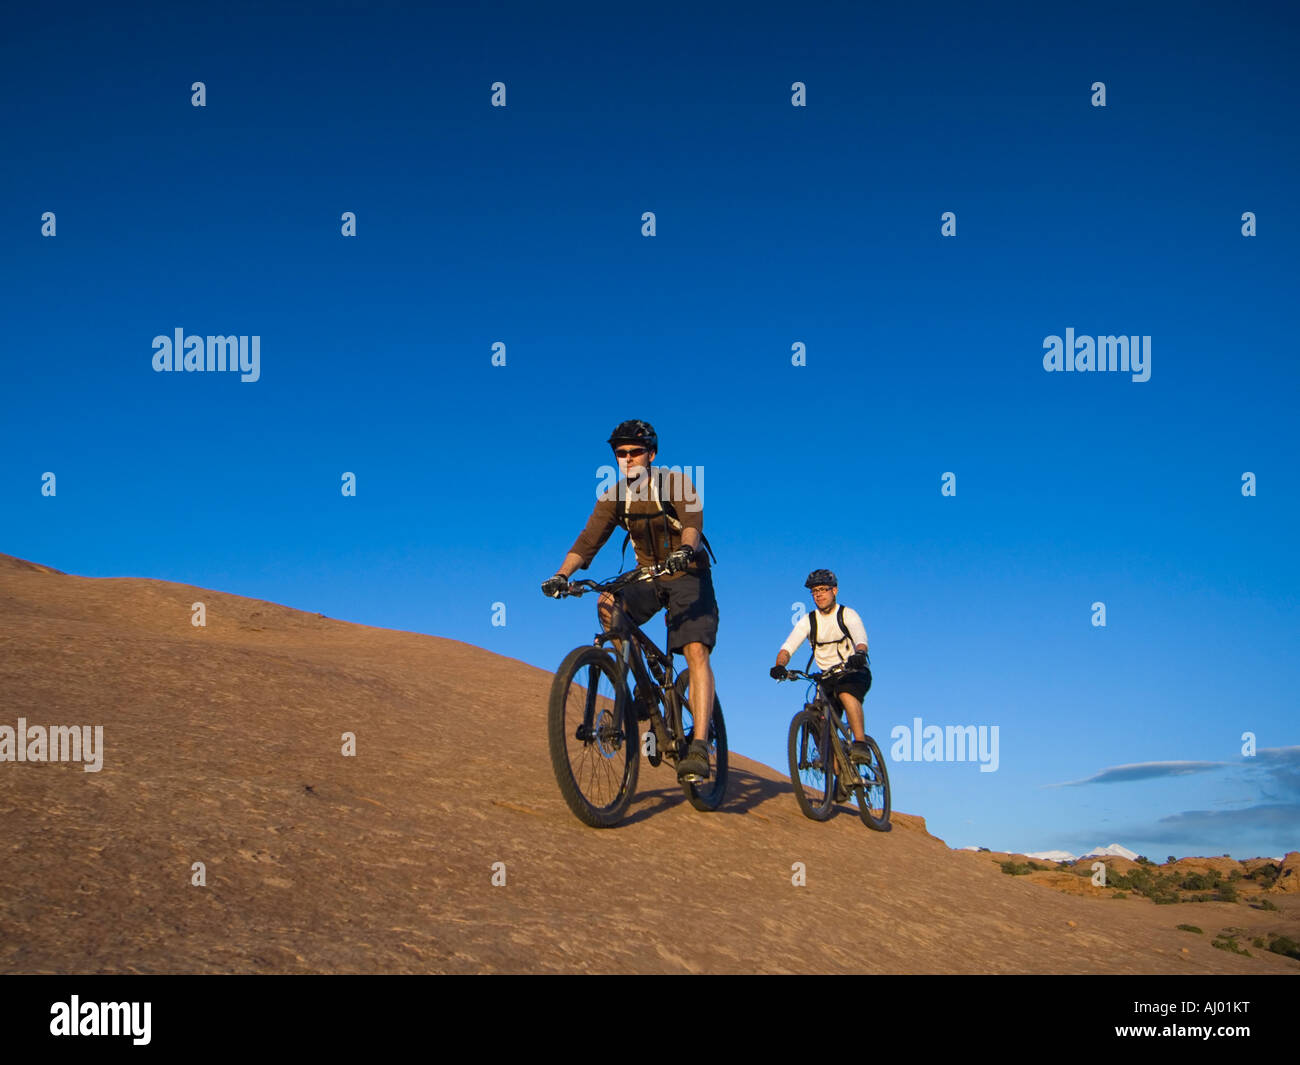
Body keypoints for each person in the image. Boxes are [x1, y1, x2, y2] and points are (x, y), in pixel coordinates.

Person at [541, 420, 719, 782]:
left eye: (635, 452)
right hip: (647, 574)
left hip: (687, 573)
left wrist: (685, 550)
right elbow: (587, 542)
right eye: (621, 454)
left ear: (651, 453)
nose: (628, 459)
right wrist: (562, 575)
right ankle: (644, 685)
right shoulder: (613, 496)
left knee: (695, 650)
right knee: (607, 602)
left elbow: (692, 523)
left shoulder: (676, 483)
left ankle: (699, 744)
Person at [770, 569, 873, 763]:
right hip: (826, 677)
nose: (818, 594)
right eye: (814, 590)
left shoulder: (847, 614)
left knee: (846, 692)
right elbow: (787, 648)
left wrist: (859, 654)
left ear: (834, 590)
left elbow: (860, 638)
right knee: (814, 718)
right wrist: (779, 666)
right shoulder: (808, 621)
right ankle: (836, 776)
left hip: (854, 670)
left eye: (823, 589)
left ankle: (860, 744)